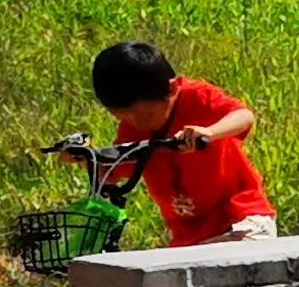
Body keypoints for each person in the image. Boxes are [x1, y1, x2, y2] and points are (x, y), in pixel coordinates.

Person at [91, 40, 278, 247]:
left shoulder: (197, 97)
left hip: (240, 218)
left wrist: (210, 132)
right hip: (191, 236)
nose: (137, 123)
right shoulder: (132, 128)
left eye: (146, 114)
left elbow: (244, 116)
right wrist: (87, 160)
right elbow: (114, 171)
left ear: (171, 89)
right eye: (123, 117)